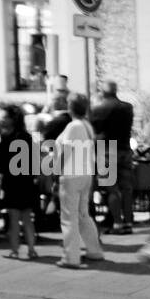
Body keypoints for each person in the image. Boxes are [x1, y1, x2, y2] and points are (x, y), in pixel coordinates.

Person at [54, 95, 106, 269]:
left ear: (71, 107)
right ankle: (94, 250)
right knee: (83, 214)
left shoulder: (73, 126)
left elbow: (65, 151)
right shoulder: (86, 126)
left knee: (69, 217)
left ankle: (71, 257)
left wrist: (56, 171)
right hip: (85, 174)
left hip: (72, 174)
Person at [0, 105, 40, 260]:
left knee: (14, 220)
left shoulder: (5, 142)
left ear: (11, 120)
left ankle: (14, 250)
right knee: (27, 219)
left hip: (11, 184)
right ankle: (32, 250)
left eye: (4, 117)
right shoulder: (28, 138)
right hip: (28, 183)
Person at [91, 81, 135, 233]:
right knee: (127, 188)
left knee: (112, 189)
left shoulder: (98, 109)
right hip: (125, 148)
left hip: (106, 150)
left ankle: (117, 223)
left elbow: (95, 131)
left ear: (103, 93)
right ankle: (128, 222)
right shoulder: (128, 107)